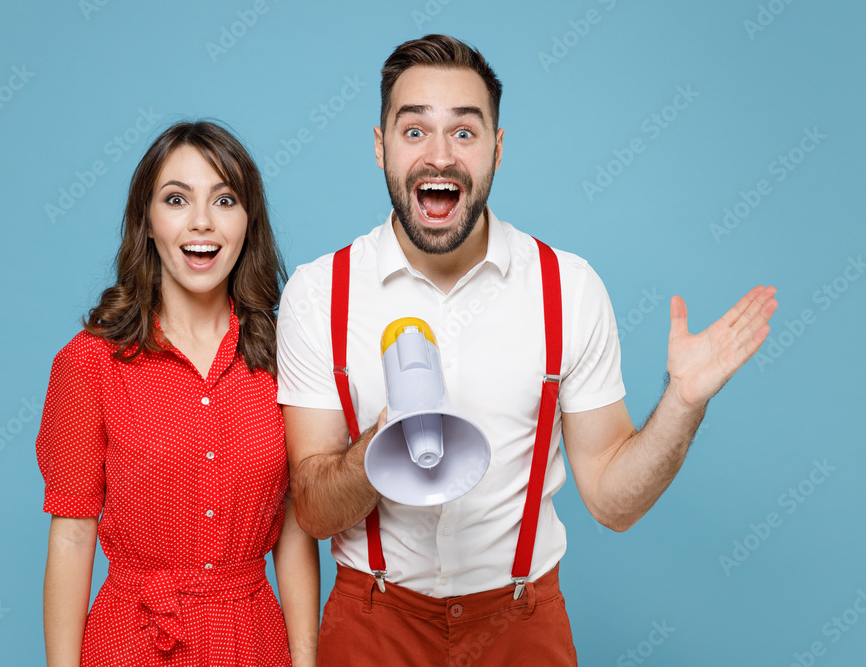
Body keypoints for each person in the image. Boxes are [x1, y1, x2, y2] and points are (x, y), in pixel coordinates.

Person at [276, 35, 777, 665]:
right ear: (380, 148)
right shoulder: (319, 294)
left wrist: (682, 402)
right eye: (413, 132)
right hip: (373, 623)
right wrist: (386, 441)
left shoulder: (567, 288)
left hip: (521, 625)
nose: (439, 157)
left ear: (497, 148)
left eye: (464, 132)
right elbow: (316, 510)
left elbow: (613, 504)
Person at [38, 121, 319, 667]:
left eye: (224, 199)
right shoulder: (89, 363)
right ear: (146, 219)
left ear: (248, 221)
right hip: (130, 643)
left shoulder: (287, 359)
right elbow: (72, 539)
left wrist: (305, 661)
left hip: (253, 645)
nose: (201, 223)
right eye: (176, 199)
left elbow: (294, 531)